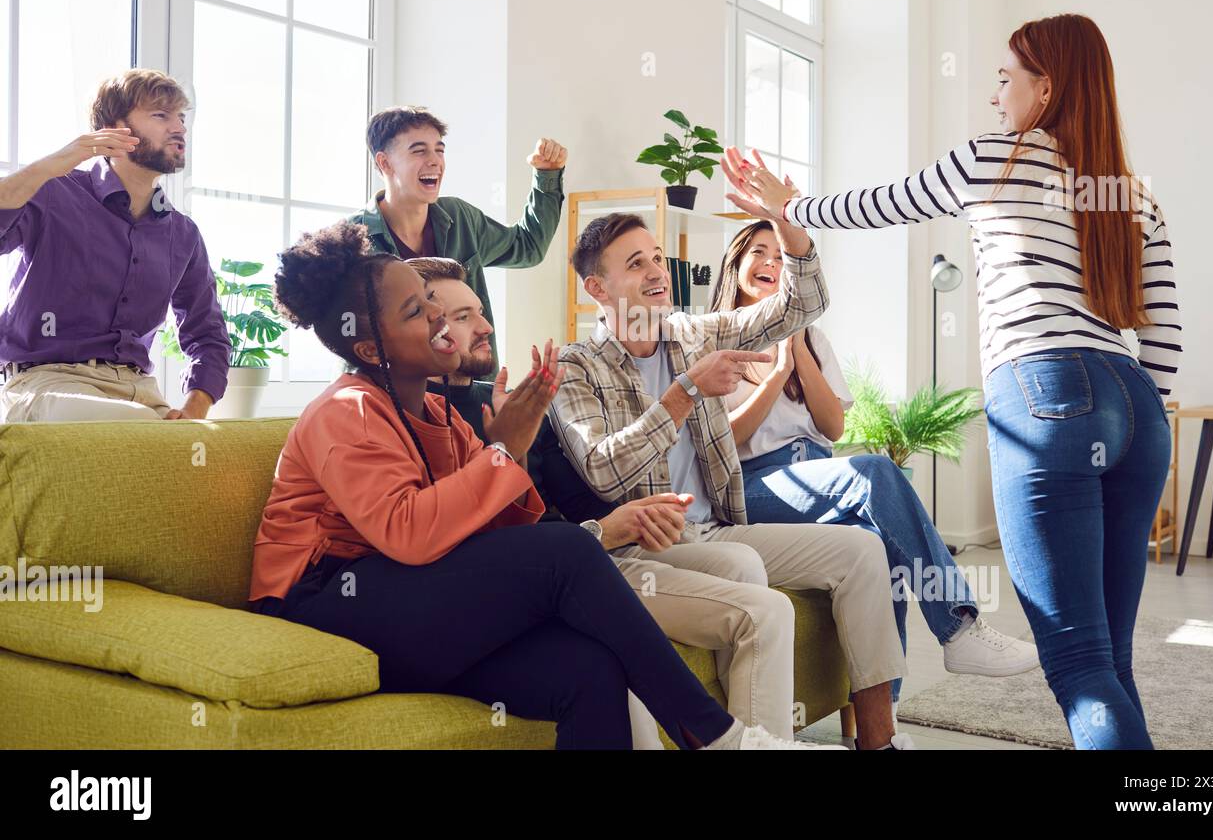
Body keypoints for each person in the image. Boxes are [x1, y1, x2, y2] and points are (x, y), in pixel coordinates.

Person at [722, 13, 1179, 751]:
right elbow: (1165, 341)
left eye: (1006, 77)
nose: (996, 93)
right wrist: (1132, 429)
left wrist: (787, 206)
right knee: (1109, 658)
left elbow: (882, 203)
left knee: (1079, 662)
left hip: (1044, 391)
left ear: (1045, 87)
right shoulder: (1132, 193)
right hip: (1137, 411)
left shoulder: (996, 161)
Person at [249, 221, 830, 750]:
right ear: (370, 348)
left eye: (431, 301)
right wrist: (503, 452)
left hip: (414, 601)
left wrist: (511, 447)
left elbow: (503, 531)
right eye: (414, 312)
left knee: (590, 669)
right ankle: (719, 736)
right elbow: (409, 533)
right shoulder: (344, 411)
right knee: (568, 549)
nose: (438, 318)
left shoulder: (441, 413)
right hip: (331, 603)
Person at [551, 211, 915, 750]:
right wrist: (683, 394)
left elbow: (802, 306)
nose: (657, 271)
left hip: (716, 526)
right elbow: (605, 471)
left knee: (862, 551)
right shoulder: (575, 365)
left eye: (657, 257)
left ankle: (877, 742)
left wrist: (790, 226)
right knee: (745, 572)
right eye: (636, 263)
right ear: (597, 288)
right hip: (642, 547)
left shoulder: (692, 334)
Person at [410, 255, 805, 747]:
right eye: (464, 317)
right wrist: (597, 525)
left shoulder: (512, 398)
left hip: (575, 559)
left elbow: (575, 498)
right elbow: (471, 546)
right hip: (535, 582)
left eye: (480, 311)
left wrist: (631, 517)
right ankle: (727, 738)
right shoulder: (410, 417)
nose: (487, 325)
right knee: (612, 657)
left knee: (742, 566)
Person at [710, 220, 1039, 711]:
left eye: (781, 258)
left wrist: (796, 350)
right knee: (877, 471)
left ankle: (881, 721)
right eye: (759, 253)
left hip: (816, 474)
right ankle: (958, 625)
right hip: (754, 485)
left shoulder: (812, 339)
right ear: (735, 265)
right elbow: (723, 443)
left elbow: (833, 427)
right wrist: (776, 375)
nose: (771, 265)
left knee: (881, 548)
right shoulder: (711, 342)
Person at [0, 69, 229, 422]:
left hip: (140, 394)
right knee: (138, 429)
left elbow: (208, 335)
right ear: (113, 127)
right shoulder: (51, 193)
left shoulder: (183, 235)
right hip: (49, 384)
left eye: (181, 118)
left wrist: (193, 413)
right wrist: (55, 163)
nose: (179, 128)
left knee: (203, 450)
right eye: (161, 115)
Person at [349, 106, 567, 372]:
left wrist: (546, 176)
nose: (434, 161)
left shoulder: (461, 217)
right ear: (384, 163)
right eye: (419, 151)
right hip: (395, 397)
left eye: (439, 150)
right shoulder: (352, 238)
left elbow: (528, 247)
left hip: (468, 391)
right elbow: (347, 330)